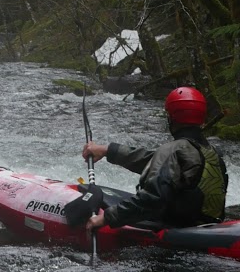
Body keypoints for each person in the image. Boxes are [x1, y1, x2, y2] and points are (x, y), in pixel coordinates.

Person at [78, 86, 228, 230]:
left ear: (172, 117)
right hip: (206, 224)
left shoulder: (173, 150)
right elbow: (152, 159)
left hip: (177, 227)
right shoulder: (213, 153)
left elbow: (152, 200)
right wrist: (108, 150)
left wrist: (105, 218)